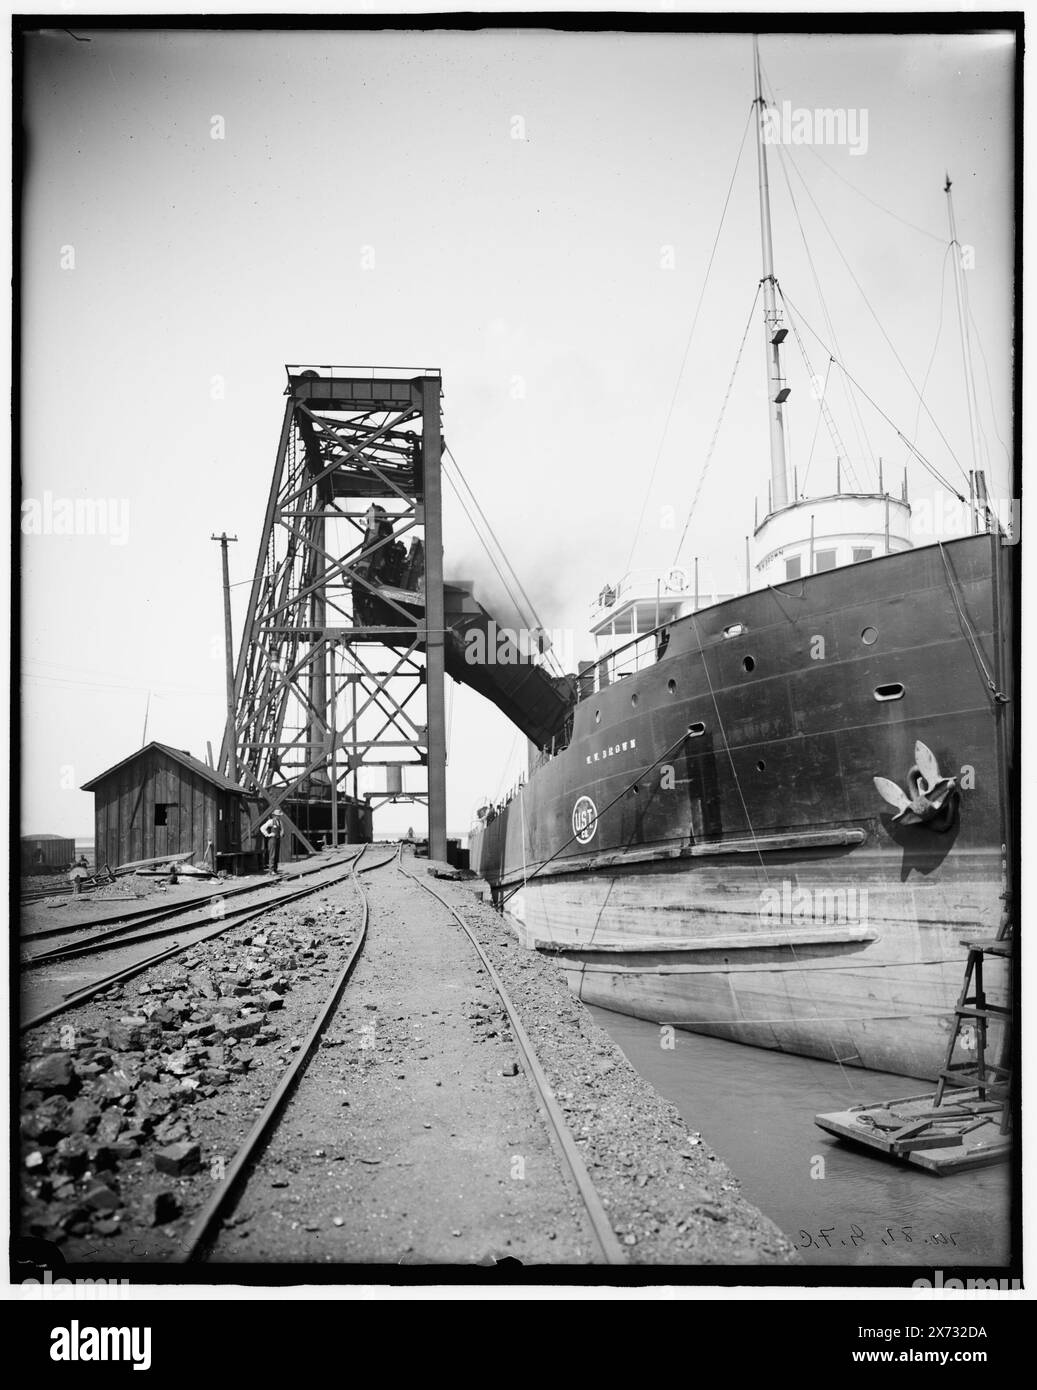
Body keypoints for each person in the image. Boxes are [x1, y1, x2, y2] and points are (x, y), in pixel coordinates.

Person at [259, 808, 285, 873]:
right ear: (275, 815)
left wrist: (282, 833)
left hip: (278, 839)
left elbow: (282, 830)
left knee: (276, 855)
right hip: (272, 839)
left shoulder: (279, 822)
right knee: (272, 854)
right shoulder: (270, 821)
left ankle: (275, 869)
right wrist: (267, 834)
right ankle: (271, 870)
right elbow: (262, 828)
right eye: (278, 815)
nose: (279, 816)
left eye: (279, 815)